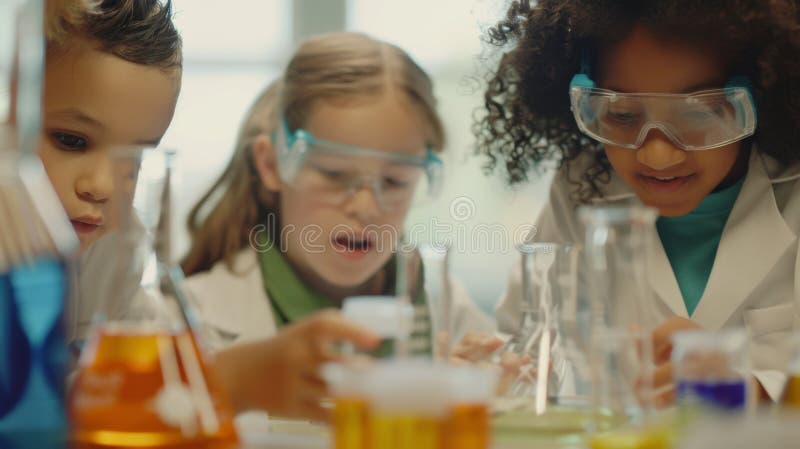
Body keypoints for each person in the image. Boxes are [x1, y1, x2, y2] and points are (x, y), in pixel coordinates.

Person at [475, 0, 800, 403]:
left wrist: (750, 393)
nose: (656, 156)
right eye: (623, 114)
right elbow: (530, 345)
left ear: (765, 94)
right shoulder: (582, 188)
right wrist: (496, 370)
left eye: (699, 113)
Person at [181, 32, 493, 417]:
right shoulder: (189, 317)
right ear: (273, 164)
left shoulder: (448, 311)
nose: (365, 207)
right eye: (333, 174)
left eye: (395, 181)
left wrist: (491, 392)